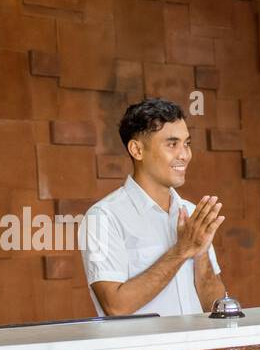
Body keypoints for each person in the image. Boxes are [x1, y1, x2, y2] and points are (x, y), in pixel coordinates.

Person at [78, 97, 229, 317]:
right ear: (137, 150)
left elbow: (214, 307)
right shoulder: (103, 218)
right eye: (172, 144)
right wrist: (182, 250)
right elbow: (116, 307)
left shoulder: (191, 212)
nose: (184, 155)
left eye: (187, 143)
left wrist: (200, 252)